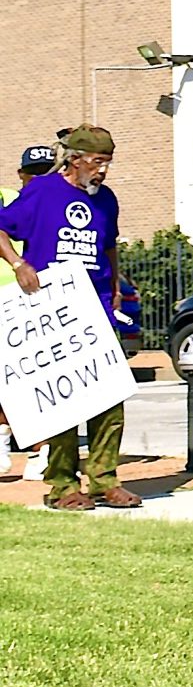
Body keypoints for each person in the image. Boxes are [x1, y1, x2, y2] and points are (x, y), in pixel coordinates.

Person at [0, 125, 131, 510]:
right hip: (51, 311)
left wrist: (117, 286)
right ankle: (61, 486)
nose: (103, 171)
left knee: (110, 397)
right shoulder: (42, 191)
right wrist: (19, 263)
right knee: (62, 403)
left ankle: (105, 480)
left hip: (97, 310)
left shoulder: (106, 200)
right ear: (74, 161)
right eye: (96, 162)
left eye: (107, 163)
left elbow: (109, 246)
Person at [1, 142, 58, 481]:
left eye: (46, 173)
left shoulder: (56, 200)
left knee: (41, 378)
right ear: (21, 174)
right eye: (33, 173)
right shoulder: (7, 199)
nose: (39, 179)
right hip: (6, 297)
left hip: (40, 301)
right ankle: (4, 439)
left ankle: (43, 451)